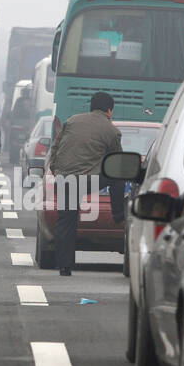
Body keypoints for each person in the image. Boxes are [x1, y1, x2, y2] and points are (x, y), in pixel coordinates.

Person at [47, 91, 123, 276]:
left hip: (65, 178)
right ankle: (118, 213)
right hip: (89, 180)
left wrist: (57, 171)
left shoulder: (72, 121)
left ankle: (64, 265)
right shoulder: (111, 130)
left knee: (66, 220)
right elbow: (117, 161)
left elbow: (55, 148)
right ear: (109, 110)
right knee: (118, 175)